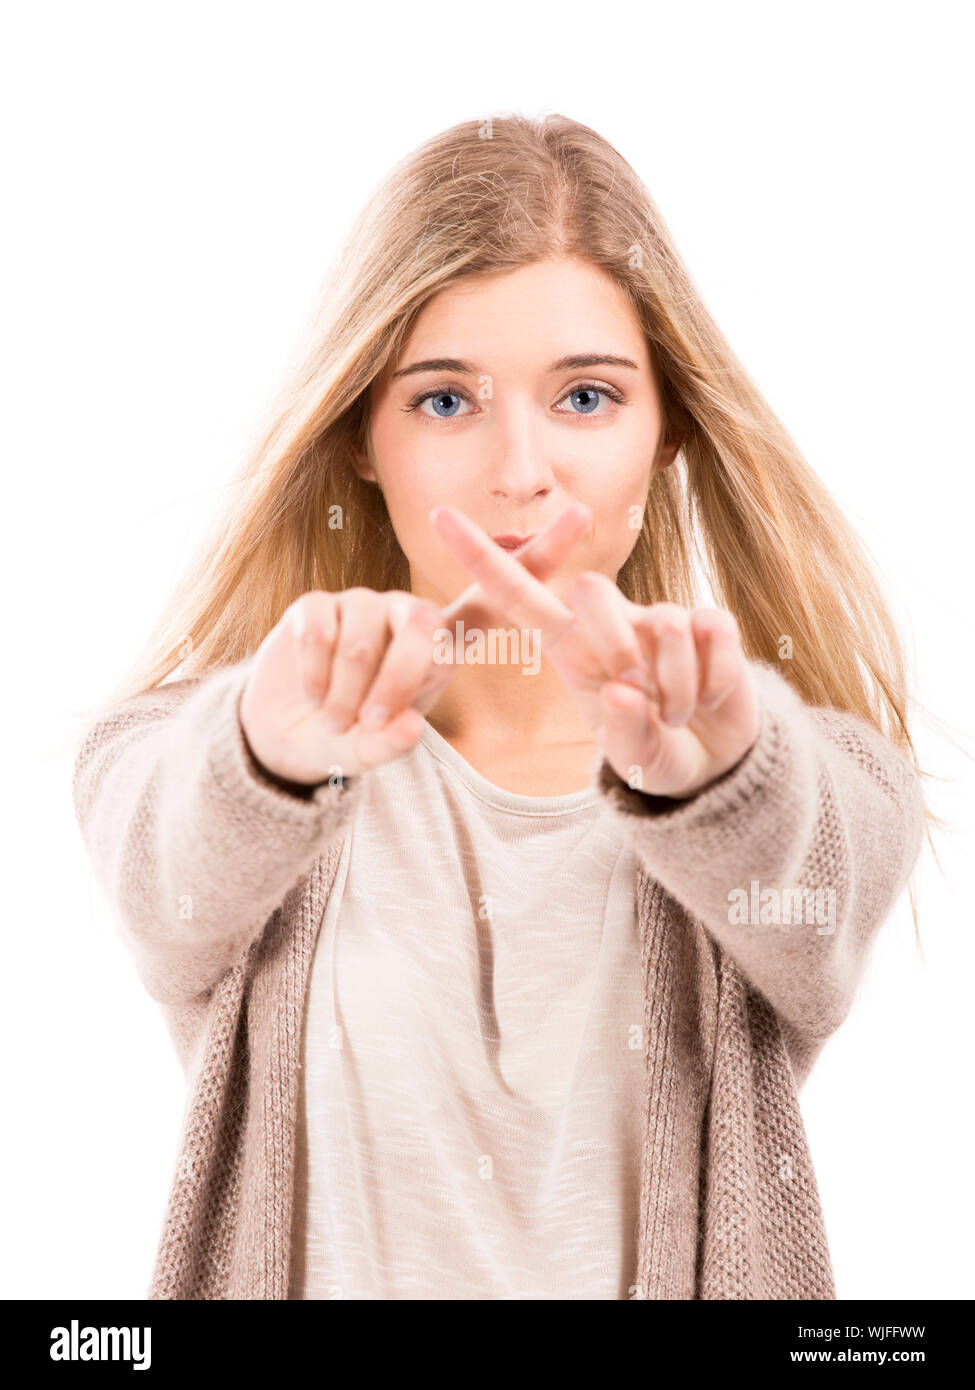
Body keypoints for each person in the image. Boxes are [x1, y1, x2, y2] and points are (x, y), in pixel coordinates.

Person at [71, 112, 931, 1300]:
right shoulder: (217, 762)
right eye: (443, 402)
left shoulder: (810, 781)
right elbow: (162, 867)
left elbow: (817, 899)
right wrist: (265, 750)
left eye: (585, 396)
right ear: (363, 436)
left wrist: (725, 779)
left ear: (666, 427)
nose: (519, 470)